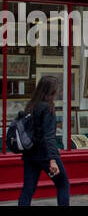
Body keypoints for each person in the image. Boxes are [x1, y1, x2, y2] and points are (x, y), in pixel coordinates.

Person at [17, 75, 69, 206]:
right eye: (56, 90)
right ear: (51, 91)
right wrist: (52, 160)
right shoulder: (48, 108)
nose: (57, 93)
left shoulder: (30, 106)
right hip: (45, 155)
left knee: (27, 190)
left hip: (29, 154)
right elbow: (49, 136)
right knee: (63, 184)